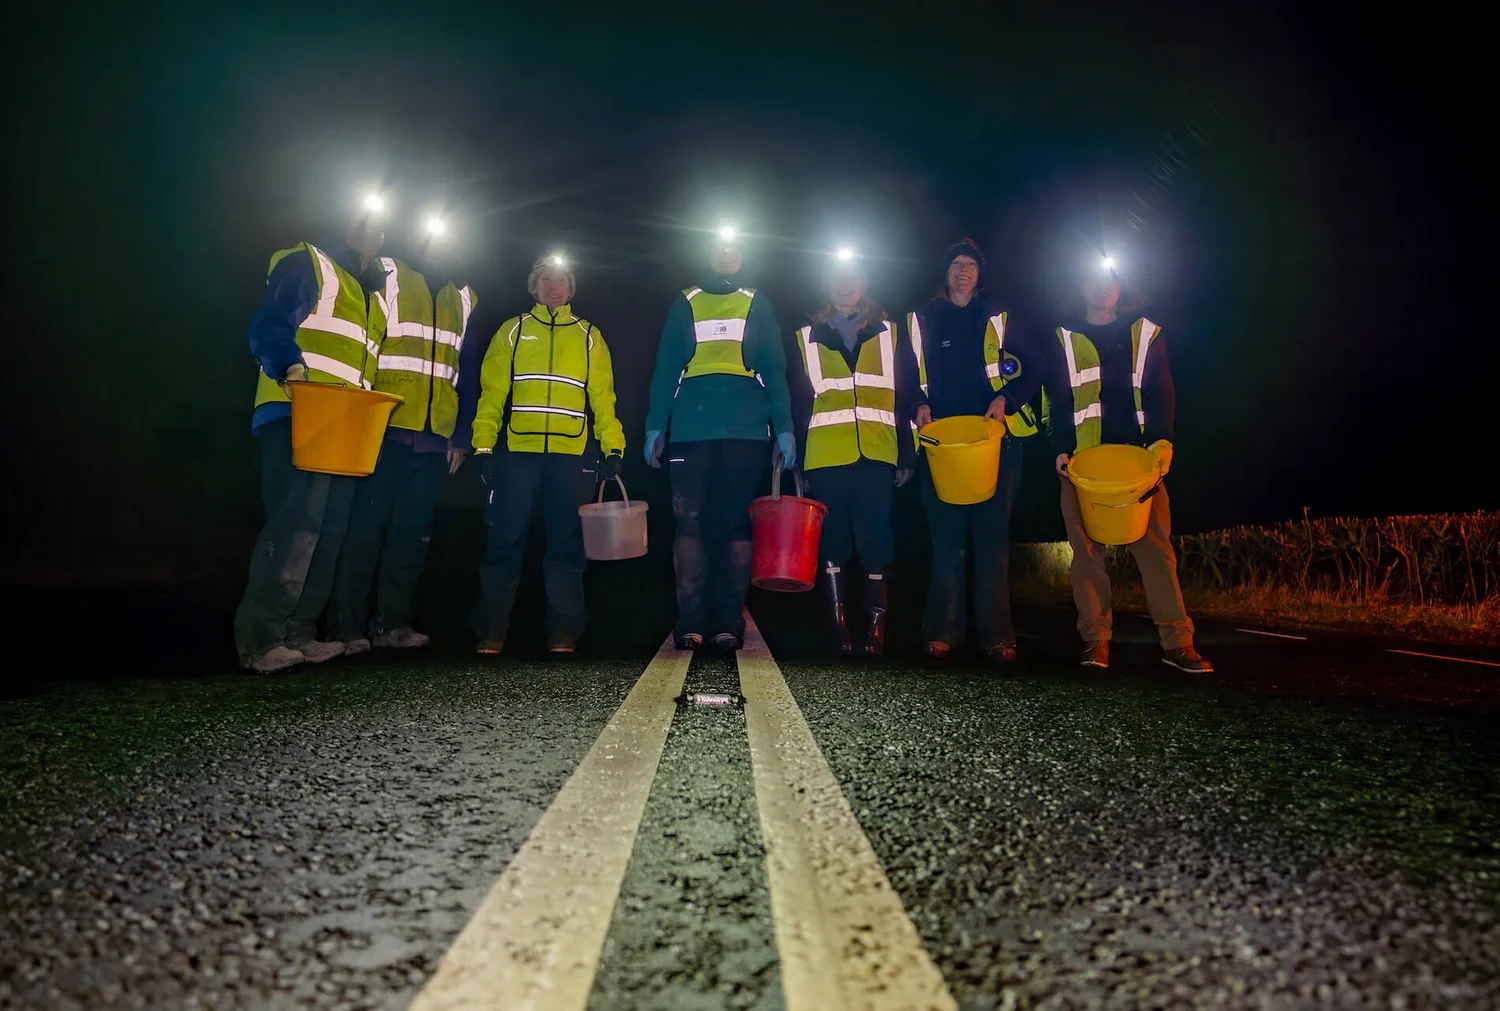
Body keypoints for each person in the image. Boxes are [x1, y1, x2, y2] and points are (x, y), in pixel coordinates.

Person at [234, 208, 388, 672]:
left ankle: (300, 631)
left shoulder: (372, 294)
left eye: (378, 225)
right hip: (297, 411)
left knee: (330, 529)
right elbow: (269, 324)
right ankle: (262, 638)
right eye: (359, 219)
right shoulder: (310, 262)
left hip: (344, 425)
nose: (369, 230)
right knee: (295, 524)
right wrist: (290, 368)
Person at [1046, 259, 1213, 673]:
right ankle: (1095, 641)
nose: (1103, 286)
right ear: (1079, 286)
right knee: (1087, 555)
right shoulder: (1063, 337)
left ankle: (1178, 644)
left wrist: (1162, 442)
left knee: (1156, 550)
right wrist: (1060, 448)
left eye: (1111, 278)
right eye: (1093, 278)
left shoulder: (1146, 332)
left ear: (1121, 286)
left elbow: (1161, 391)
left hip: (1138, 462)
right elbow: (1056, 398)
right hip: (1084, 463)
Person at [325, 233, 480, 654]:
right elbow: (363, 344)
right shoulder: (388, 273)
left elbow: (465, 369)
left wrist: (460, 436)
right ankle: (346, 627)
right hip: (384, 426)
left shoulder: (464, 297)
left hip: (433, 438)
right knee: (363, 530)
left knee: (412, 534)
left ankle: (392, 624)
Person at [644, 228, 795, 651]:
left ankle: (729, 622)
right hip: (691, 431)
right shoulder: (686, 300)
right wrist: (656, 425)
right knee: (690, 526)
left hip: (746, 432)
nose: (727, 253)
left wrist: (784, 427)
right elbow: (667, 368)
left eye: (734, 247)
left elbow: (774, 368)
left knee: (734, 527)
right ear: (707, 253)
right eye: (720, 247)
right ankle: (690, 623)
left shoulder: (756, 301)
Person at [468, 255, 625, 656]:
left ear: (571, 289)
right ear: (533, 287)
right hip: (518, 453)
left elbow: (602, 397)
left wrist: (613, 446)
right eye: (545, 280)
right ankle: (492, 630)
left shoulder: (589, 335)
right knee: (504, 539)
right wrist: (484, 446)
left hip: (571, 455)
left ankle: (564, 631)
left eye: (561, 281)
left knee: (566, 543)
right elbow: (492, 394)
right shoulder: (514, 330)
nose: (553, 287)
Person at [907, 238, 1047, 662]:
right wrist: (916, 404)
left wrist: (1007, 399)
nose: (963, 270)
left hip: (995, 442)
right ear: (945, 272)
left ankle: (998, 636)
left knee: (991, 539)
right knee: (947, 539)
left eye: (970, 264)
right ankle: (942, 631)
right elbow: (903, 375)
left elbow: (1035, 367)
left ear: (980, 272)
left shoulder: (1001, 315)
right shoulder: (921, 319)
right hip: (941, 445)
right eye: (956, 263)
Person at [788, 253, 920, 656]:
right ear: (826, 286)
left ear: (864, 283)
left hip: (877, 454)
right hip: (826, 456)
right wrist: (798, 461)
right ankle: (838, 627)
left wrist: (906, 453)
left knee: (876, 537)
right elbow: (798, 403)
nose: (846, 284)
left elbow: (907, 395)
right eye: (837, 277)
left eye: (853, 277)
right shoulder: (805, 337)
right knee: (833, 540)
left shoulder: (891, 334)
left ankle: (875, 627)